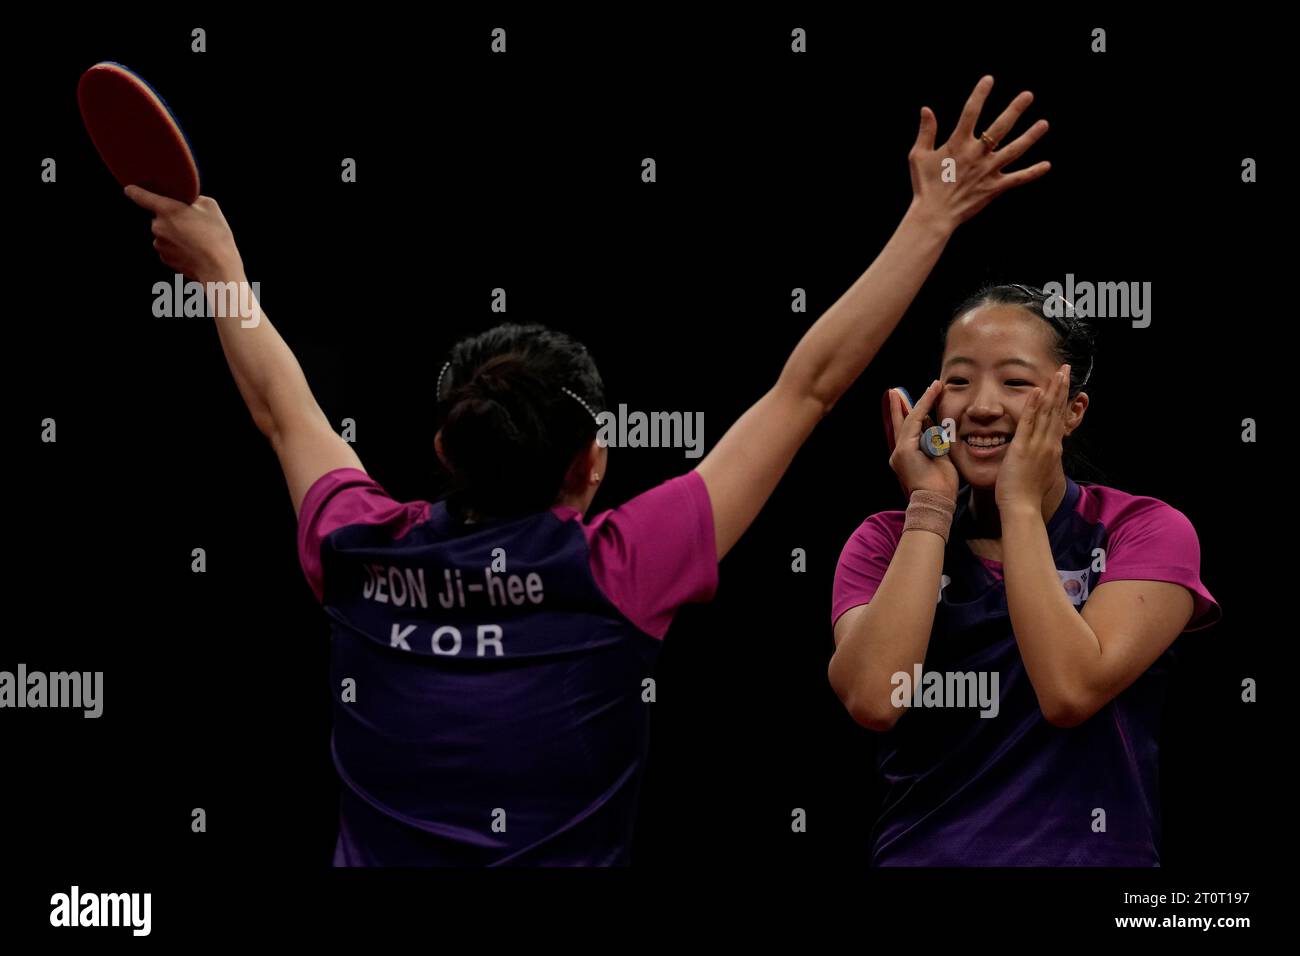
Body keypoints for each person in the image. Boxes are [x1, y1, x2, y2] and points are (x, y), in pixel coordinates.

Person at [125, 75, 1050, 865]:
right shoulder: (621, 568)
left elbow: (281, 410)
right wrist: (931, 218)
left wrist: (220, 267)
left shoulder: (357, 545)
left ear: (446, 451)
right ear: (592, 464)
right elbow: (805, 389)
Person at [828, 283, 1221, 866]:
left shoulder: (1142, 531)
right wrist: (930, 508)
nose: (982, 406)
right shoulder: (885, 540)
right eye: (958, 381)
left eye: (1015, 382)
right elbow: (875, 700)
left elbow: (1069, 691)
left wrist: (1018, 506)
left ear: (1071, 411)